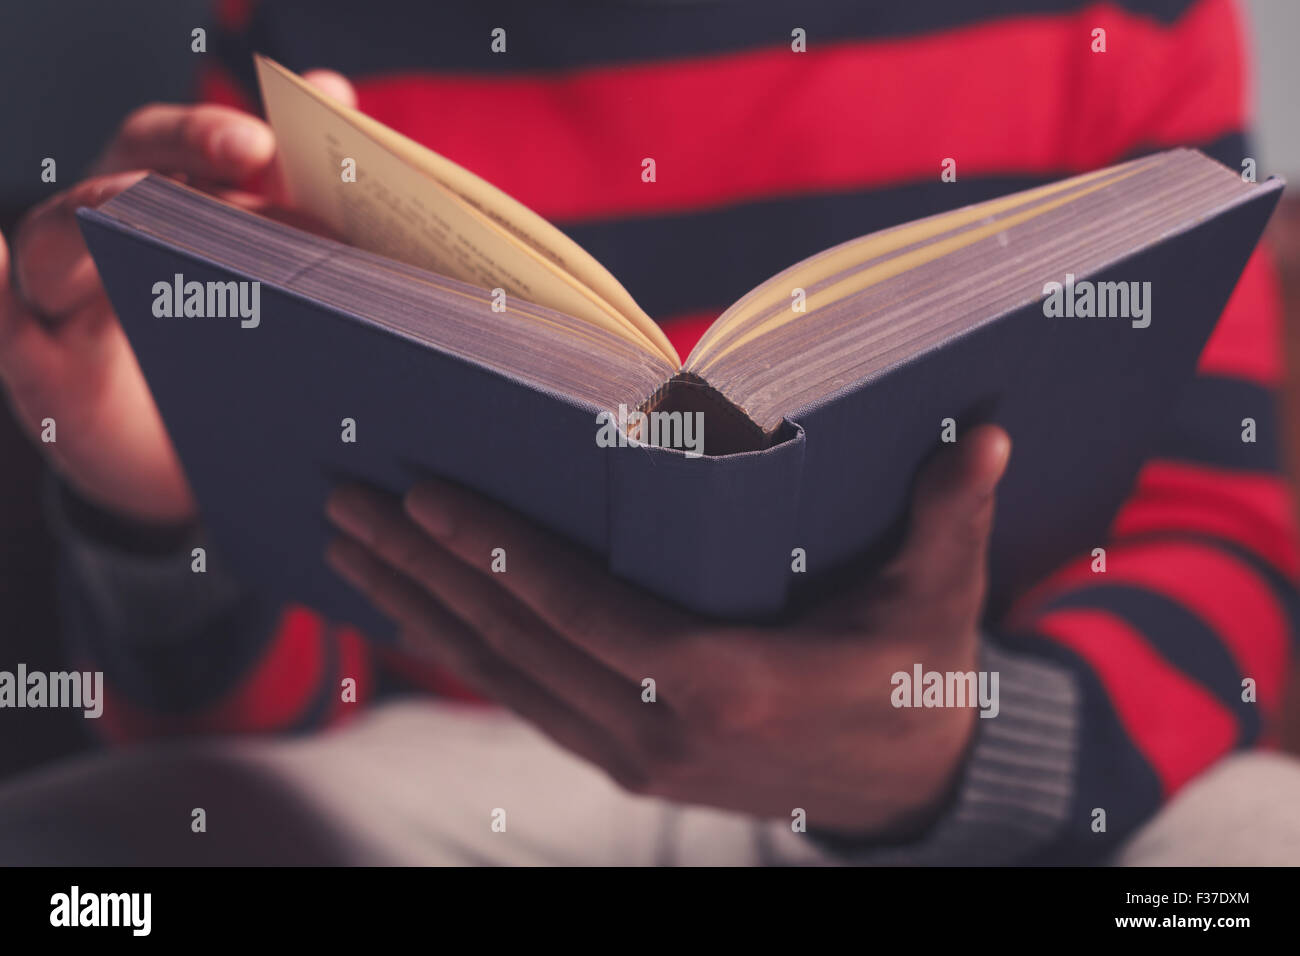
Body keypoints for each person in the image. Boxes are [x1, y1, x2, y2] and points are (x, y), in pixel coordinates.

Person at [1, 0, 1298, 865]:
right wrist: (159, 505)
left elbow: (1221, 534)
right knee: (83, 859)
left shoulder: (1126, 18)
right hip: (477, 777)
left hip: (987, 780)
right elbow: (253, 737)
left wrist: (949, 761)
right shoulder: (302, 26)